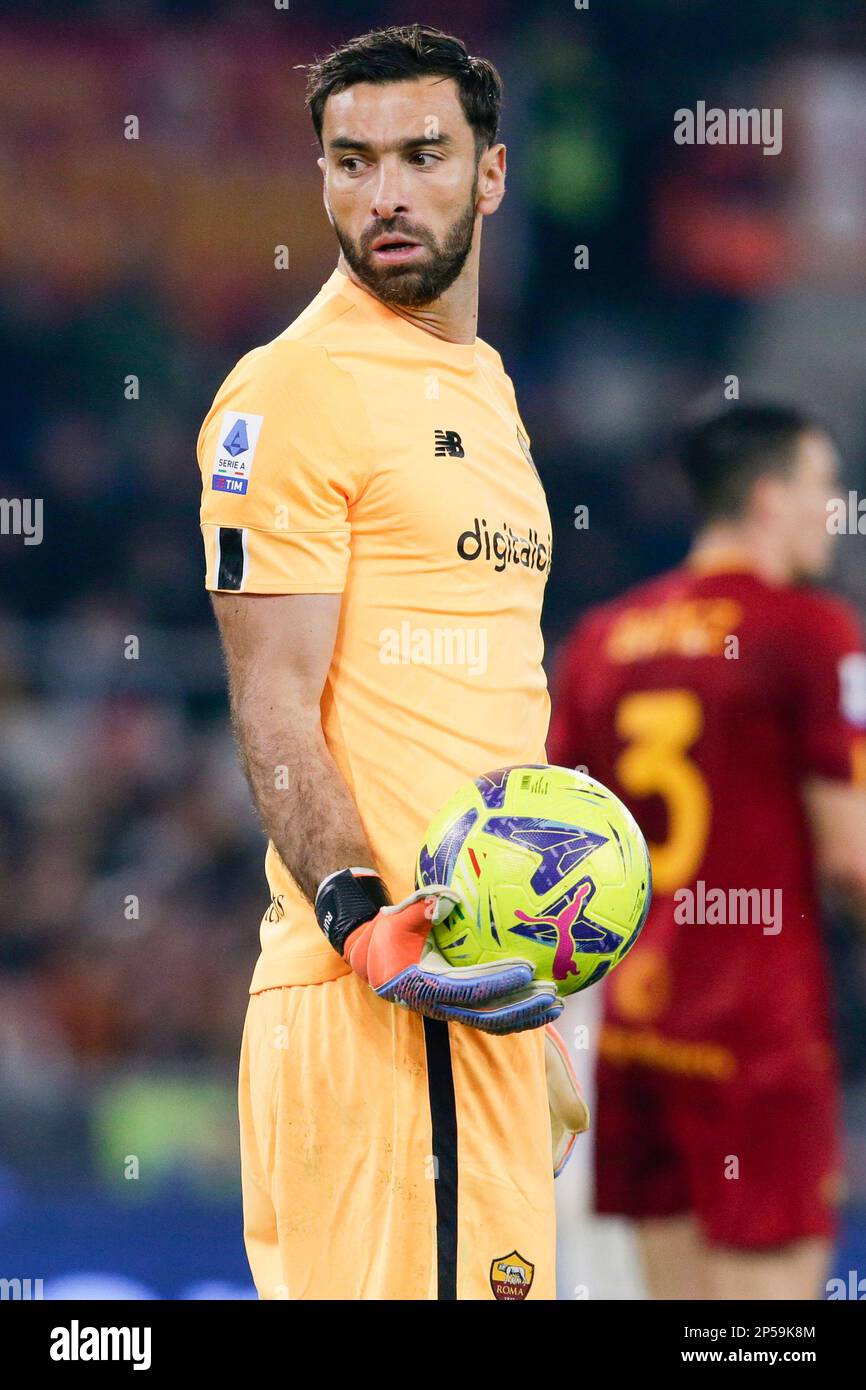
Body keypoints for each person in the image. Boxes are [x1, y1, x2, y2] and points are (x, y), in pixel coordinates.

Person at [196, 24, 586, 1301]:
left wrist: (543, 979)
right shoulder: (291, 389)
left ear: (490, 174)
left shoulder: (485, 387)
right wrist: (364, 922)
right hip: (380, 999)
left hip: (482, 1006)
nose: (386, 193)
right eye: (351, 161)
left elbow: (482, 712)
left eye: (422, 155)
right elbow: (272, 706)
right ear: (319, 180)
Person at [548, 403, 866, 1299]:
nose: (837, 510)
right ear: (770, 499)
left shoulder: (604, 640)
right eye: (825, 488)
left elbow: (558, 835)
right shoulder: (810, 630)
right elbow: (852, 857)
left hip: (638, 1032)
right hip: (759, 1034)